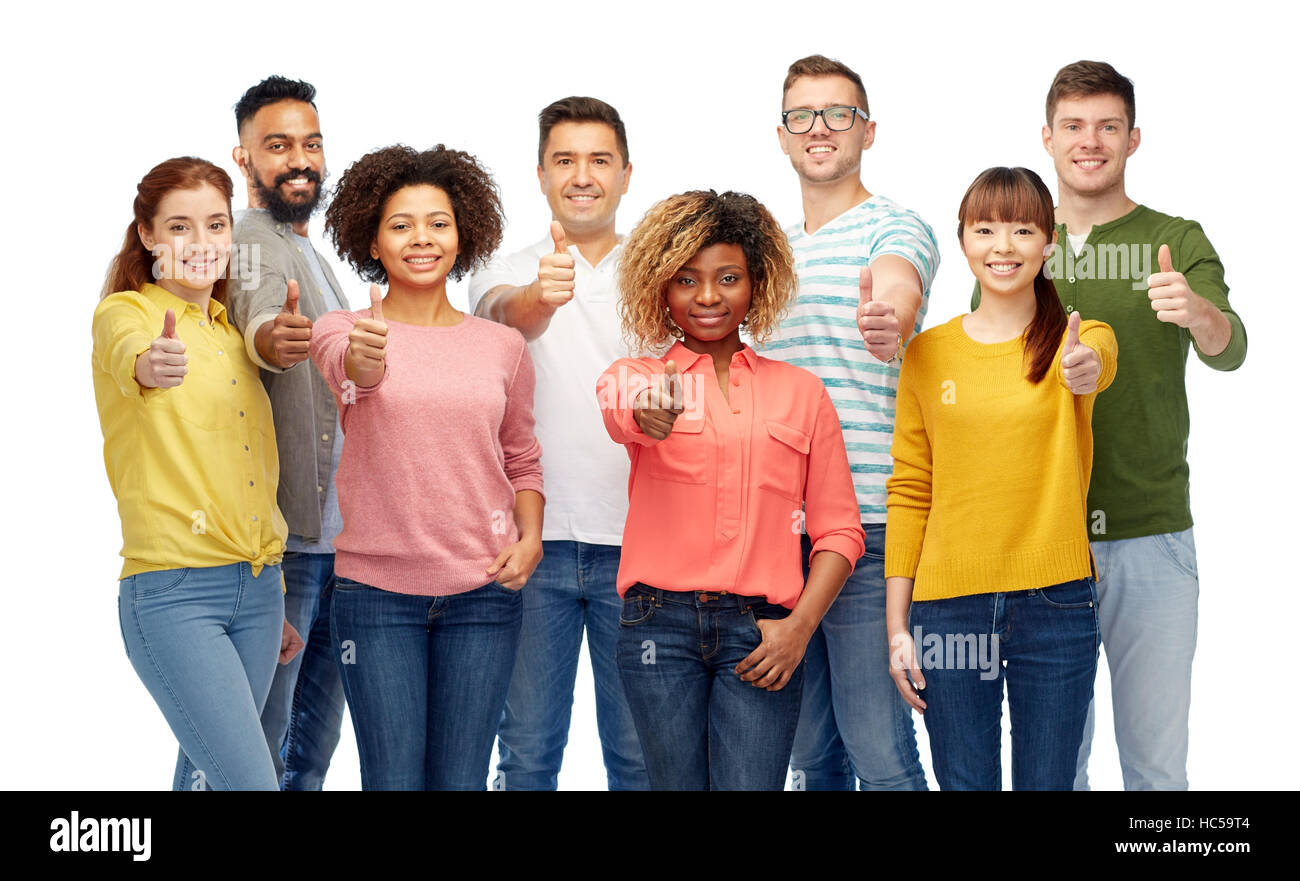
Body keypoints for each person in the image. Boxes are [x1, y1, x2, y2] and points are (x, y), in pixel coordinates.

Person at [971, 61, 1248, 791]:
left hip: (1151, 535)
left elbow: (1231, 348)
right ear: (1047, 137)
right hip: (1040, 545)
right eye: (1073, 126)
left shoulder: (1175, 239)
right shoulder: (1017, 244)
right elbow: (985, 377)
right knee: (1054, 770)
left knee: (1156, 771)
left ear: (1133, 139)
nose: (1089, 141)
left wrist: (1198, 313)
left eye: (1106, 126)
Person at [599, 190, 865, 790]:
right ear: (661, 289)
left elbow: (840, 532)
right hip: (657, 627)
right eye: (687, 280)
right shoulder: (636, 378)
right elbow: (623, 412)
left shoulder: (802, 392)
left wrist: (797, 630)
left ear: (757, 283)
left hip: (762, 631)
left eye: (728, 278)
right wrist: (650, 414)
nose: (709, 296)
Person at [311, 144, 544, 790]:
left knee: (461, 780)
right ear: (373, 240)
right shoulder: (344, 328)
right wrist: (367, 355)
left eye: (438, 222)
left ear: (462, 233)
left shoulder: (500, 345)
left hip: (483, 595)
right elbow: (354, 372)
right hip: (376, 599)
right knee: (391, 778)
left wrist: (530, 538)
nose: (423, 238)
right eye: (402, 224)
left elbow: (522, 455)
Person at [887, 166, 1118, 790]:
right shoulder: (926, 354)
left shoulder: (1079, 337)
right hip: (948, 607)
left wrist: (1084, 367)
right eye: (984, 229)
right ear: (962, 241)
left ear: (1049, 243)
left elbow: (1096, 363)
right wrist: (896, 628)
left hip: (1057, 603)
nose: (1003, 246)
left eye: (1022, 229)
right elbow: (910, 490)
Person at [93, 156, 303, 791]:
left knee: (207, 780)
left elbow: (249, 472)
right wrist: (152, 363)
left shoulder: (231, 336)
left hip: (260, 592)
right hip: (174, 594)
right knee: (251, 782)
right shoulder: (125, 315)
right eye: (180, 227)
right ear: (150, 235)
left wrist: (270, 582)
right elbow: (135, 359)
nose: (203, 243)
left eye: (216, 225)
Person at [766, 54, 937, 791]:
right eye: (803, 115)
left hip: (868, 526)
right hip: (779, 536)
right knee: (811, 755)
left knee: (881, 751)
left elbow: (898, 283)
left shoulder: (894, 225)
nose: (820, 129)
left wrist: (887, 320)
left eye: (838, 113)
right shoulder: (764, 250)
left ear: (867, 130)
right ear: (782, 135)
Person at [469, 96, 646, 790]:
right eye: (564, 160)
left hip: (640, 549)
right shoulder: (500, 268)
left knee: (637, 756)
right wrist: (540, 299)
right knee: (528, 753)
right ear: (540, 174)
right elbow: (504, 318)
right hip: (528, 548)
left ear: (627, 173)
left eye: (599, 159)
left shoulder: (661, 271)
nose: (582, 175)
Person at [219, 75, 350, 791]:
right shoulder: (251, 240)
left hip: (333, 548)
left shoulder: (313, 255)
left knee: (306, 753)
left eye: (311, 143)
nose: (299, 159)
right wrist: (277, 338)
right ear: (243, 158)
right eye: (278, 146)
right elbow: (260, 317)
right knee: (251, 751)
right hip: (288, 550)